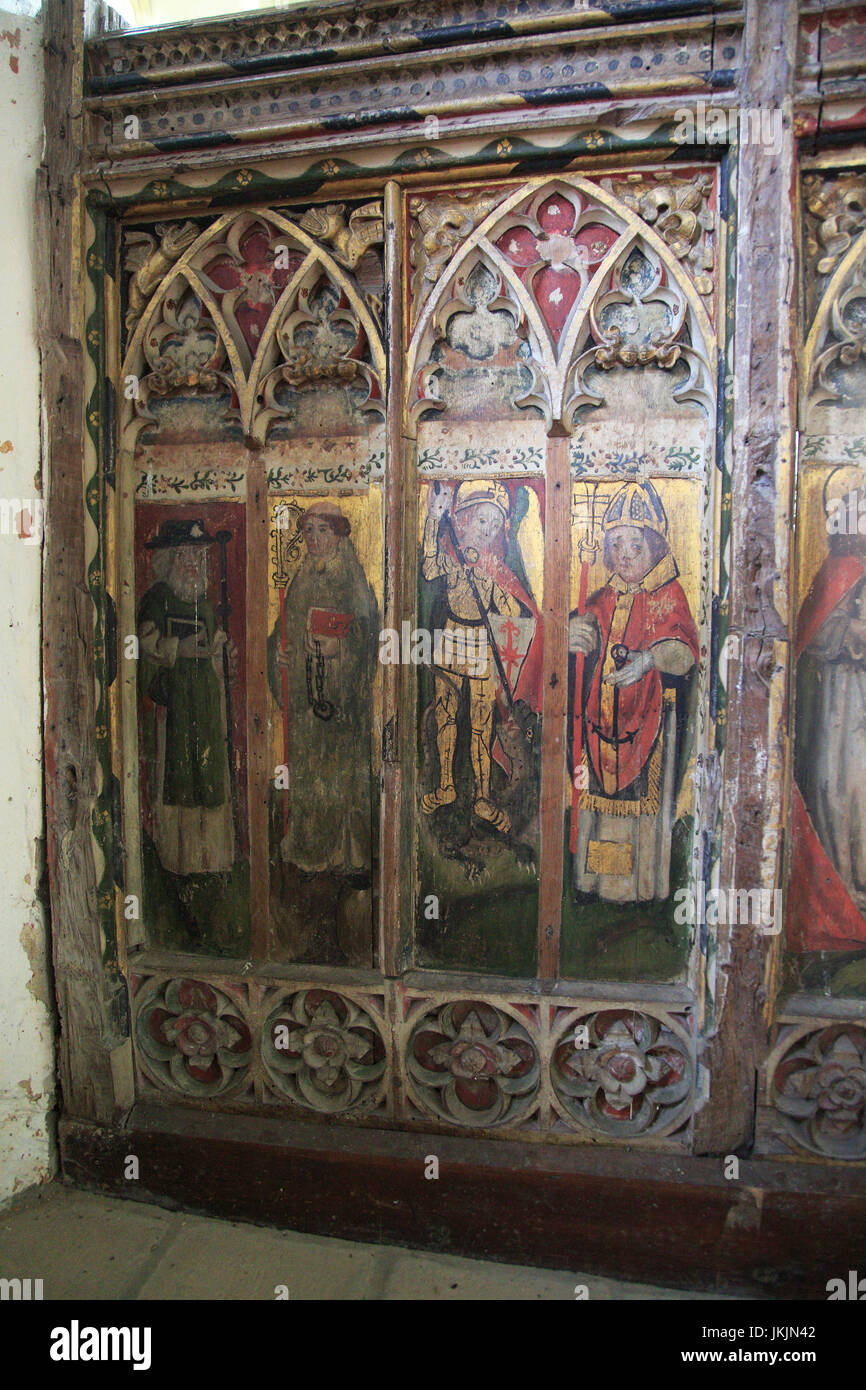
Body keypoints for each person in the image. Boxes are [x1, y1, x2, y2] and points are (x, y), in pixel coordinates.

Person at [568, 480, 698, 902]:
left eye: (635, 545)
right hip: (601, 720)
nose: (624, 555)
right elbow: (581, 639)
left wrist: (649, 659)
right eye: (617, 545)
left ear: (655, 547)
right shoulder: (604, 595)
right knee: (599, 805)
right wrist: (574, 631)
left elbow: (685, 650)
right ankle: (594, 881)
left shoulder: (668, 593)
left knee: (639, 808)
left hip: (649, 723)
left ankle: (634, 888)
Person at [421, 479, 541, 836]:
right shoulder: (452, 559)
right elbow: (428, 568)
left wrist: (498, 591)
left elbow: (508, 609)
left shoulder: (493, 565)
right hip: (451, 636)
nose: (485, 529)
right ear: (465, 520)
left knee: (480, 723)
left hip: (478, 643)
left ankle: (483, 797)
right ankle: (446, 785)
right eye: (480, 520)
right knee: (446, 714)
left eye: (493, 523)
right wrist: (431, 519)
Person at [267, 499, 379, 877]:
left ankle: (350, 855)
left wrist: (341, 647)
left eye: (323, 531)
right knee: (309, 774)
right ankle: (312, 850)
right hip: (306, 699)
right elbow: (282, 630)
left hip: (341, 701)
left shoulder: (352, 577)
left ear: (339, 535)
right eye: (308, 531)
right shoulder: (300, 578)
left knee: (342, 775)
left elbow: (368, 637)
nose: (314, 539)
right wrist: (279, 654)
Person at [790, 466, 866, 951]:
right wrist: (857, 633)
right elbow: (814, 635)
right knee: (844, 789)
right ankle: (850, 894)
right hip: (844, 706)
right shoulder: (839, 571)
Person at [137, 518, 236, 878]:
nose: (190, 562)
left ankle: (213, 860)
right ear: (168, 559)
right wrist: (182, 649)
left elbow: (216, 648)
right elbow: (145, 645)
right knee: (179, 778)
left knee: (209, 777)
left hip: (207, 704)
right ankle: (179, 861)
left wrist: (222, 653)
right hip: (176, 705)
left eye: (196, 554)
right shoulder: (158, 599)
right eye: (182, 555)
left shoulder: (205, 603)